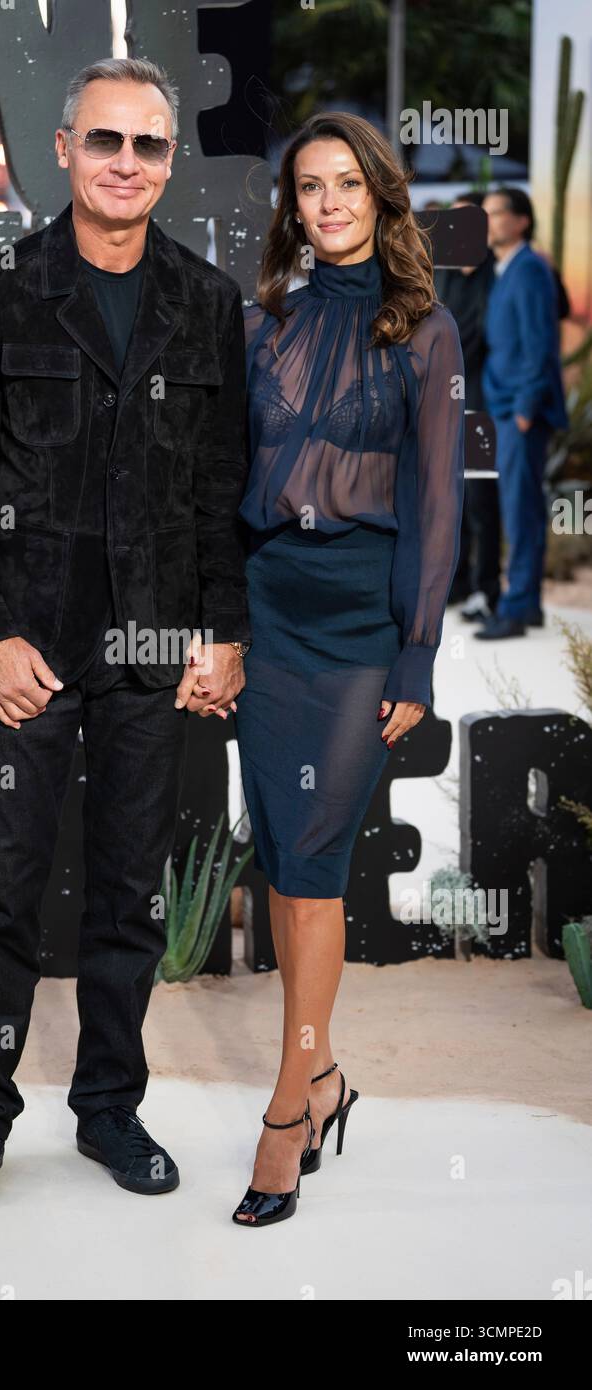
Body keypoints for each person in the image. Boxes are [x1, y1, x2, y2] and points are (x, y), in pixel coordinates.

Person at [0, 57, 251, 1214]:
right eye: (105, 142)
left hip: (155, 654)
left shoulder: (205, 303)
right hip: (32, 652)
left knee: (129, 894)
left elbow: (218, 490)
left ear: (169, 162)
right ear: (62, 151)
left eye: (148, 146)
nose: (126, 164)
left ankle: (108, 1107)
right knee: (1, 891)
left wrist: (224, 631)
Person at [231, 112, 464, 1227]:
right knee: (280, 860)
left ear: (378, 194)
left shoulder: (422, 330)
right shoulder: (263, 321)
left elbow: (433, 503)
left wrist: (415, 648)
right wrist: (217, 622)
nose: (325, 204)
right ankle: (322, 1073)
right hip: (270, 611)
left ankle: (288, 1108)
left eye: (344, 185)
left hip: (359, 622)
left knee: (313, 865)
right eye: (307, 188)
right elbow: (229, 483)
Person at [474, 186, 568, 640]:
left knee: (520, 510)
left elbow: (540, 345)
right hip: (506, 406)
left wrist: (527, 409)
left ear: (521, 221)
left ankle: (515, 609)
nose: (487, 221)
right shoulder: (507, 268)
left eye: (496, 213)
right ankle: (526, 605)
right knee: (520, 510)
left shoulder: (529, 269)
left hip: (520, 411)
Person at [433, 192, 501, 623]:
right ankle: (458, 584)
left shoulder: (497, 273)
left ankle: (487, 588)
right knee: (451, 498)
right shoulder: (446, 273)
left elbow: (475, 332)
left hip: (481, 403)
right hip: (446, 403)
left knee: (480, 498)